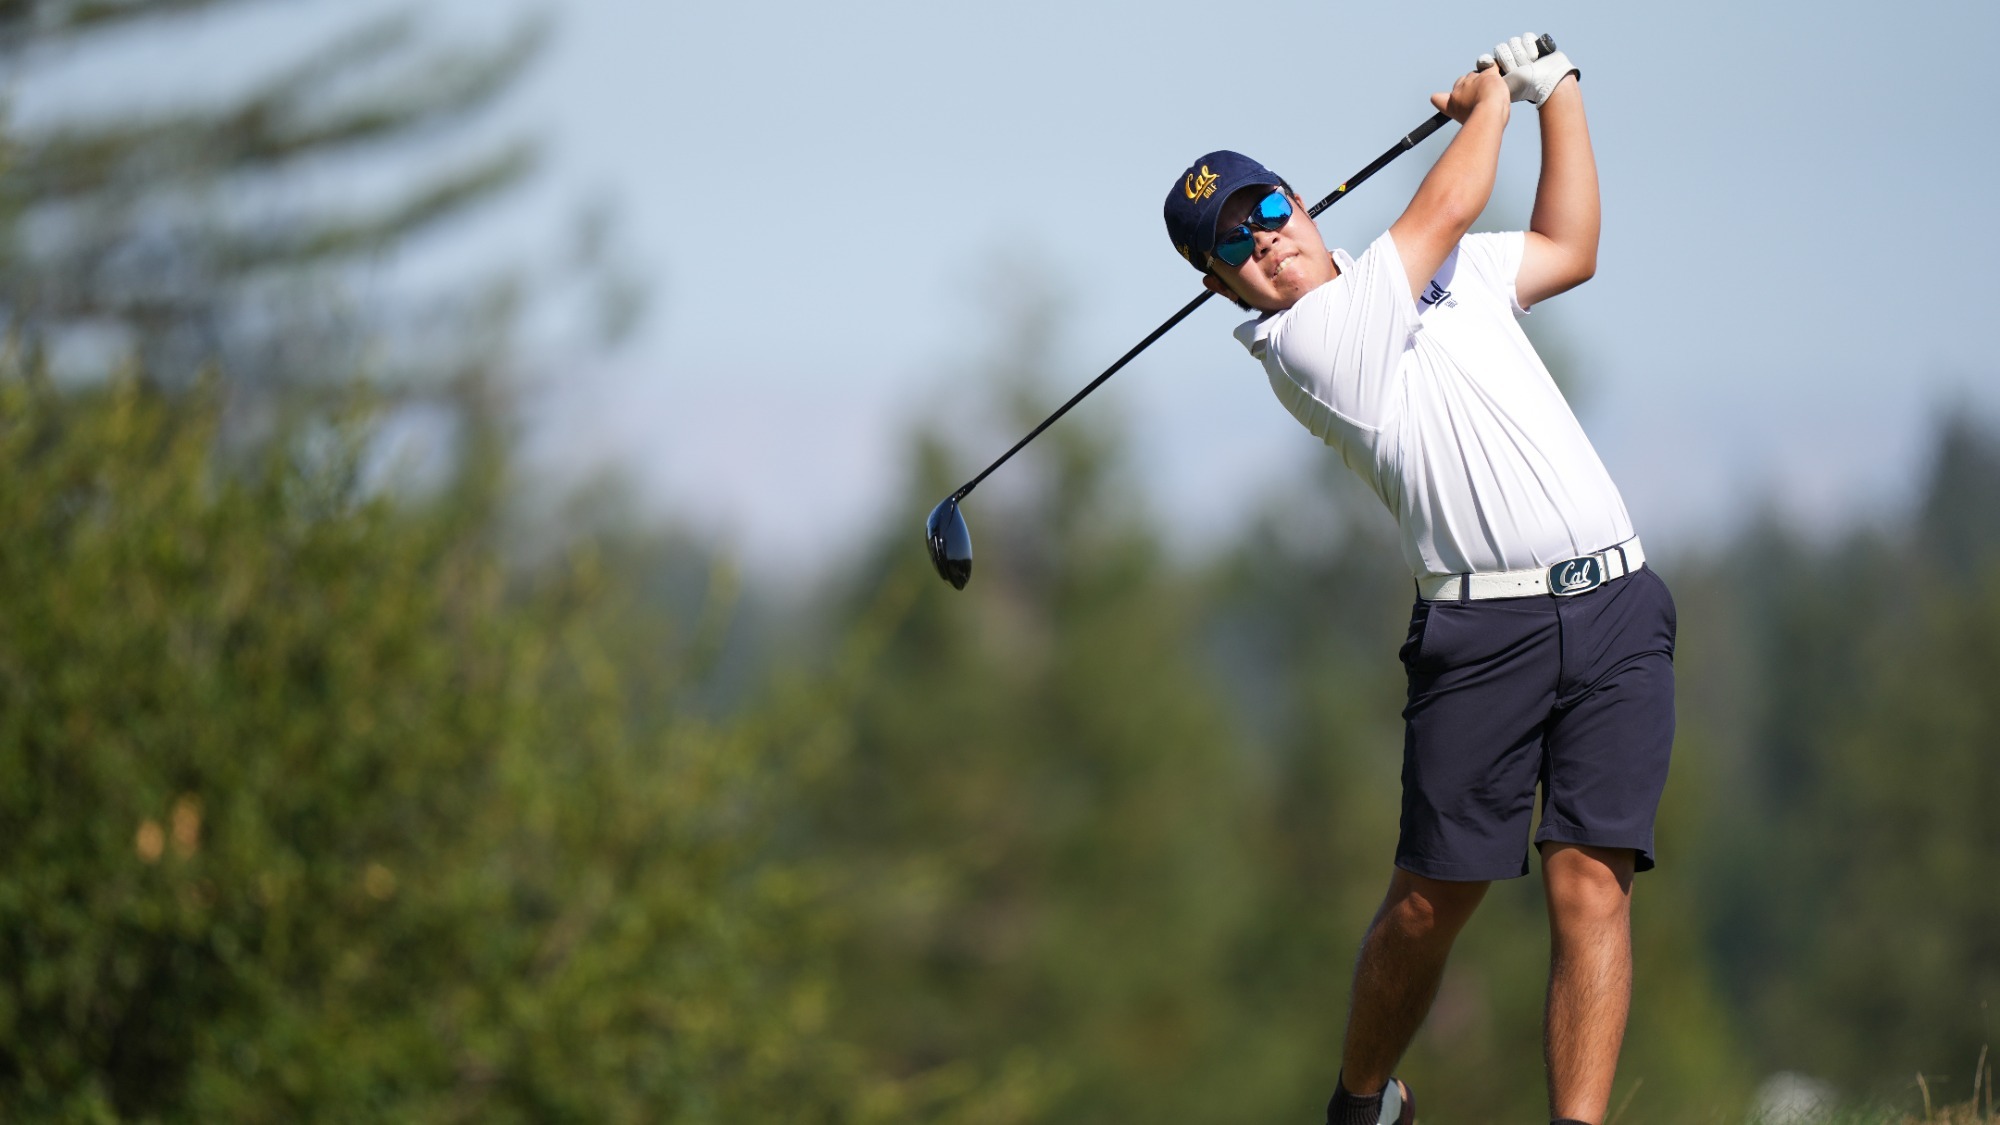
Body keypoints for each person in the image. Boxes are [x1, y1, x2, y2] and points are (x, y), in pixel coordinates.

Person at [1162, 35, 1675, 1125]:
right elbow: (1438, 210)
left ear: (1298, 202)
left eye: (1264, 210)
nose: (1263, 242)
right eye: (1231, 247)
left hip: (1616, 607)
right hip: (1480, 640)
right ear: (1219, 286)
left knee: (1592, 886)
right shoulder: (1305, 344)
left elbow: (1566, 245)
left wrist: (1555, 92)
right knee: (1427, 906)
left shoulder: (1443, 271)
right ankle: (1360, 1101)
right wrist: (1487, 104)